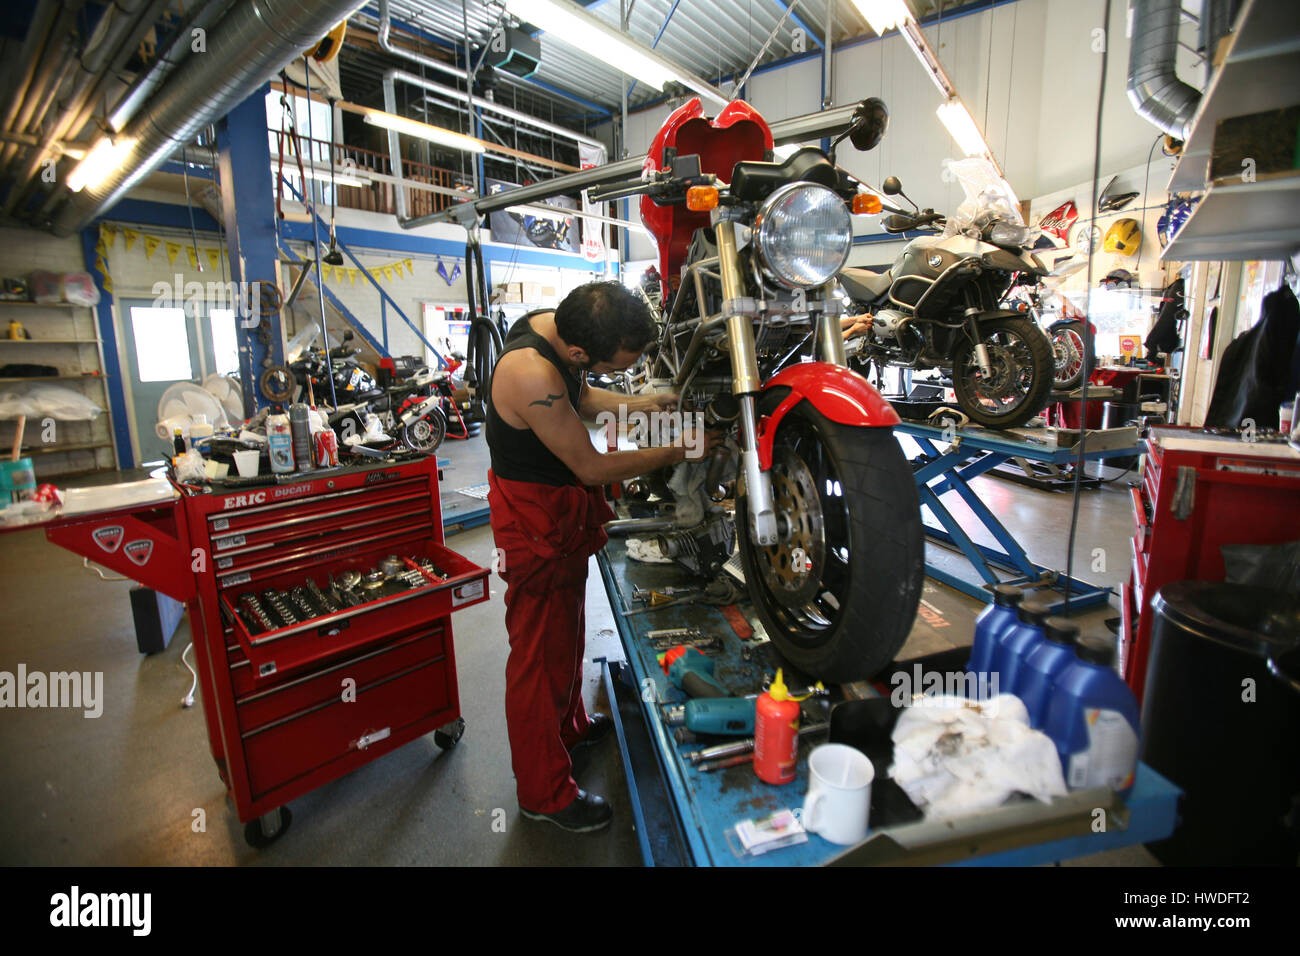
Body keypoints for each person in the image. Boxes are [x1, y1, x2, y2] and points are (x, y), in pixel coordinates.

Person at [485, 281, 718, 833]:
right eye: (623, 363)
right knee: (537, 657)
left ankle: (569, 728)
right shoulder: (530, 374)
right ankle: (543, 794)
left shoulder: (555, 324)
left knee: (566, 630)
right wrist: (679, 448)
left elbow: (583, 396)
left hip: (558, 510)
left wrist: (643, 402)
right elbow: (590, 466)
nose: (625, 369)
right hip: (533, 519)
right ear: (579, 352)